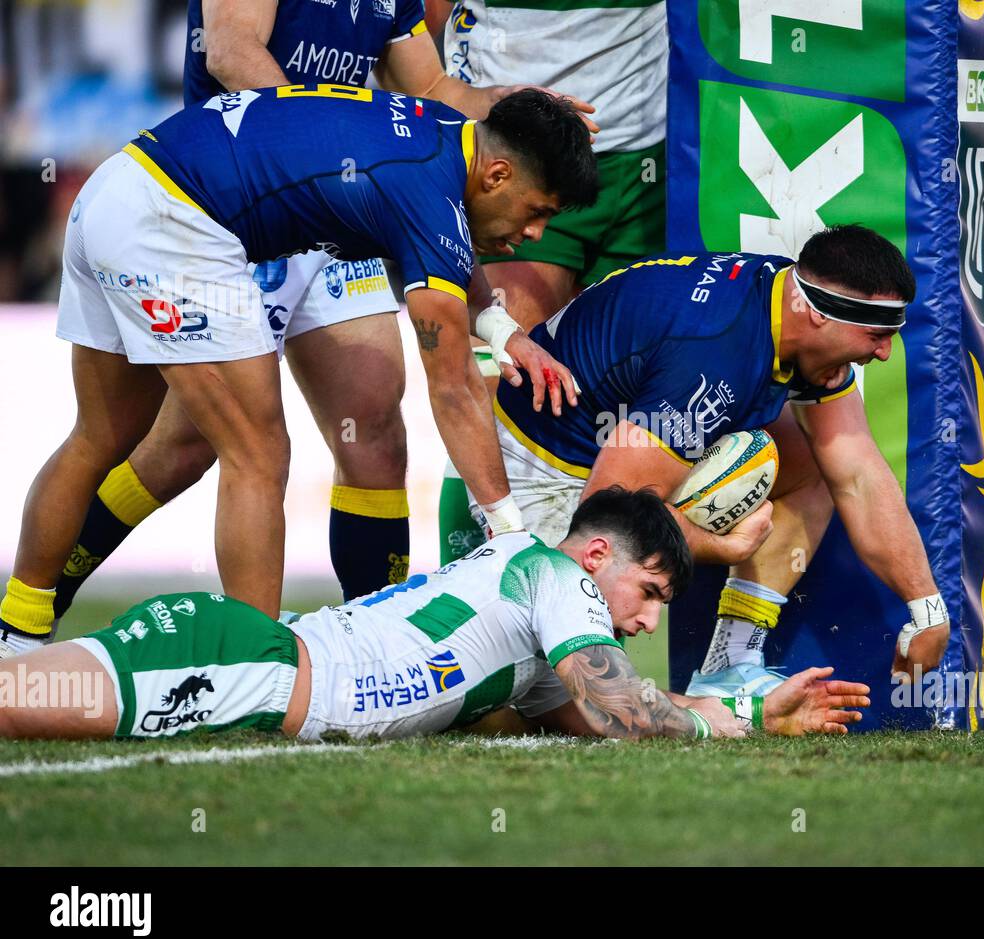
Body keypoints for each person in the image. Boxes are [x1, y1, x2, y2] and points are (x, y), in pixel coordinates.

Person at [46, 0, 598, 622]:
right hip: (253, 201)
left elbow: (435, 90)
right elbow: (229, 53)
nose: (535, 233)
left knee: (374, 426)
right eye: (537, 215)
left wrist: (508, 105)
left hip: (357, 207)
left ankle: (368, 638)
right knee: (186, 446)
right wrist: (321, 156)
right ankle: (45, 603)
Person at [478, 225, 949, 697]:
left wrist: (927, 608)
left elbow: (858, 476)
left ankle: (732, 665)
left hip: (611, 448)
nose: (884, 353)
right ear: (819, 316)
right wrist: (721, 547)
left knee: (813, 461)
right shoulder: (712, 353)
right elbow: (608, 517)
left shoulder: (787, 307)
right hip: (544, 473)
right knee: (563, 698)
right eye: (875, 334)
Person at [0, 488, 871, 741]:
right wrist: (743, 719)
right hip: (241, 664)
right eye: (650, 593)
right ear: (597, 557)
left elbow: (597, 718)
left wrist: (754, 710)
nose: (644, 623)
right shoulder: (554, 578)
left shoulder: (532, 619)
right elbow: (626, 710)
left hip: (249, 665)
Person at [428, 0, 668, 563]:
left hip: (647, 163)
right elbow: (424, 26)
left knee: (617, 412)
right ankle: (467, 610)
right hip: (521, 159)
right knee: (508, 403)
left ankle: (575, 611)